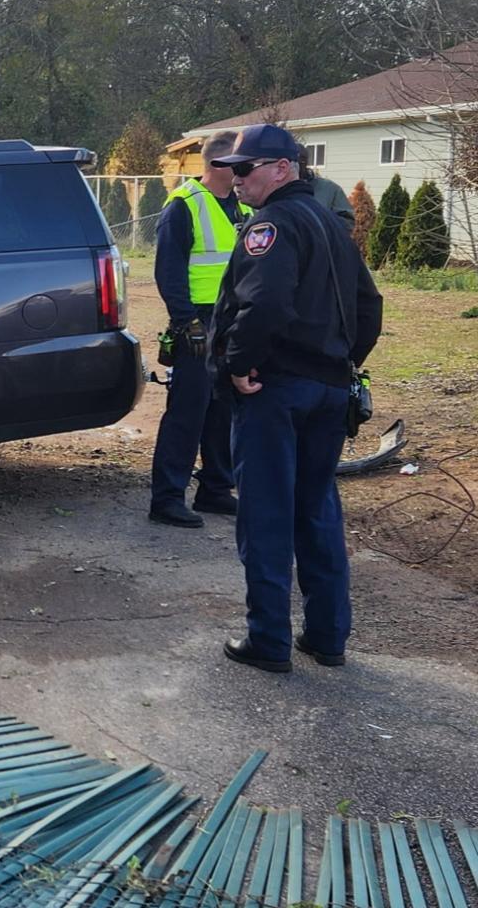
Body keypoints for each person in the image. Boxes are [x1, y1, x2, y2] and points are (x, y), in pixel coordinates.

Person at [208, 123, 382, 673]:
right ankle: (328, 636)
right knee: (317, 509)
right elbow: (369, 308)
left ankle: (269, 640)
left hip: (275, 390)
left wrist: (237, 365)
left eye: (246, 168)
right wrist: (340, 361)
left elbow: (264, 305)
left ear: (283, 169)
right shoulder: (331, 227)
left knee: (265, 511)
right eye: (233, 169)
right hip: (328, 390)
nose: (236, 179)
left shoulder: (272, 225)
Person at [149, 129, 253, 528]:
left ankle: (215, 489)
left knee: (222, 408)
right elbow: (168, 272)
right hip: (197, 322)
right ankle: (167, 498)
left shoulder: (241, 208)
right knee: (187, 412)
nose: (246, 172)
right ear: (216, 165)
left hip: (230, 319)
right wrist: (185, 322)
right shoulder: (184, 205)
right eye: (239, 164)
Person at [297, 145, 354, 229]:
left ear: (305, 162)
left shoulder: (330, 189)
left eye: (300, 161)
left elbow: (348, 222)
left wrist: (318, 226)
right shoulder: (275, 188)